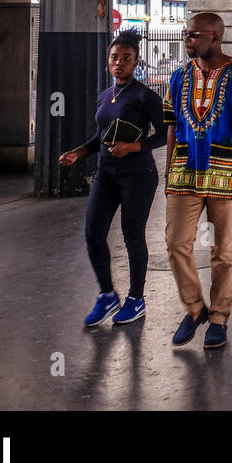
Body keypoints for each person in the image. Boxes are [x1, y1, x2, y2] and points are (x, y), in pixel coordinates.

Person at [162, 12, 232, 350]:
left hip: (226, 174)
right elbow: (171, 125)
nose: (187, 39)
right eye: (186, 33)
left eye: (194, 35)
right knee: (175, 242)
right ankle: (195, 307)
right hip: (184, 172)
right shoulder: (179, 77)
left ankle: (218, 318)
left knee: (223, 249)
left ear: (216, 37)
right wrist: (169, 169)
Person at [59, 31, 166, 328]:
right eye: (114, 58)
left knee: (133, 236)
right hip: (107, 173)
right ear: (108, 61)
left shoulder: (146, 96)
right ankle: (107, 295)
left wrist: (133, 147)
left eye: (126, 59)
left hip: (139, 176)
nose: (119, 63)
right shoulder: (106, 95)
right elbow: (100, 136)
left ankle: (136, 299)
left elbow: (166, 135)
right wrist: (79, 152)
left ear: (136, 61)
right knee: (93, 234)